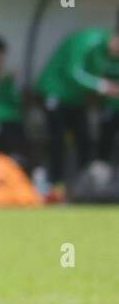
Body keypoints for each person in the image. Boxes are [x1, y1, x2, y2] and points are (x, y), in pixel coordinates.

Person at [33, 22, 119, 190]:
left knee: (85, 141)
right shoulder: (87, 40)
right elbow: (73, 72)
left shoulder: (107, 55)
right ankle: (52, 184)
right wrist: (103, 86)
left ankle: (84, 187)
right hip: (55, 93)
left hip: (76, 99)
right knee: (57, 139)